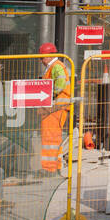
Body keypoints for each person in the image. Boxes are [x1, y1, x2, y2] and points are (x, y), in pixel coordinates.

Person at [38, 43, 72, 175]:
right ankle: (55, 165)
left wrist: (50, 96)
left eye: (42, 57)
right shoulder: (55, 66)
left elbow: (60, 83)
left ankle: (48, 168)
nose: (41, 60)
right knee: (54, 137)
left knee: (49, 137)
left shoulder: (56, 66)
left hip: (54, 107)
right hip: (56, 107)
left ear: (48, 56)